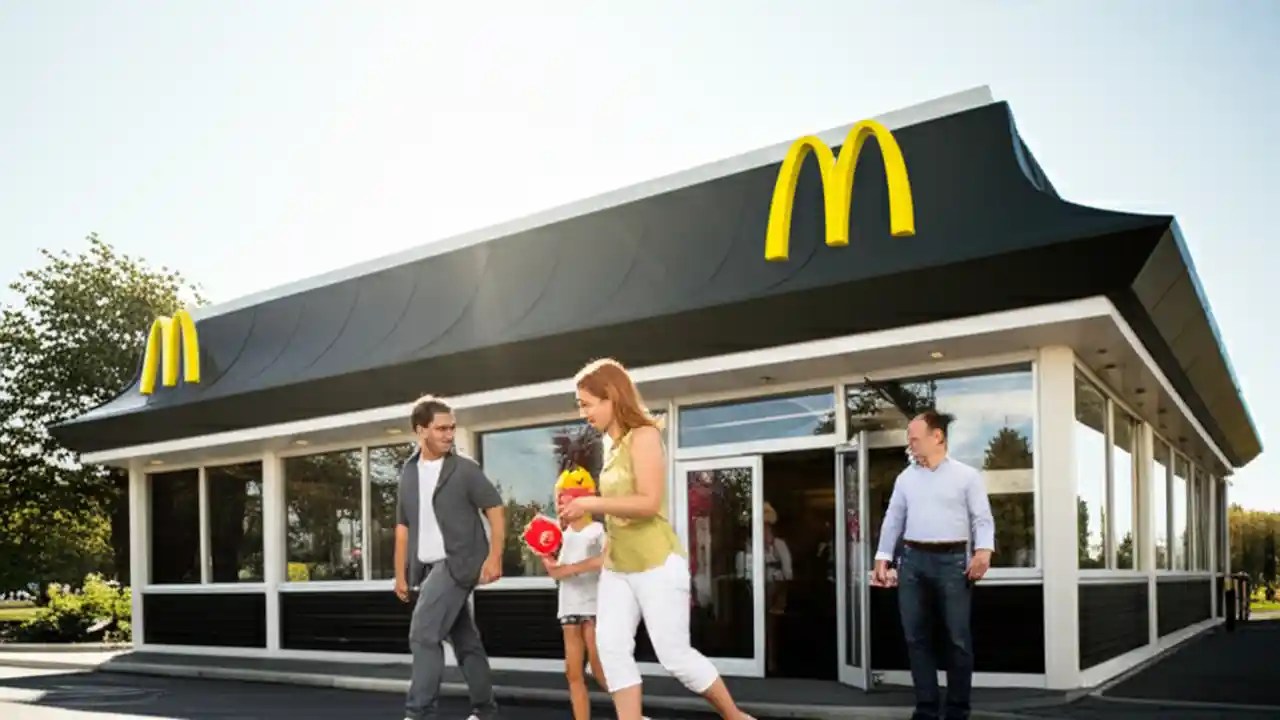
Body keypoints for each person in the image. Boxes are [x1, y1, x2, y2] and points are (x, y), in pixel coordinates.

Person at [559, 358, 755, 720]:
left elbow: (648, 503)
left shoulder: (645, 436)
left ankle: (735, 716)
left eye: (586, 403)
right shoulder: (609, 444)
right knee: (611, 648)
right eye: (579, 404)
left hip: (656, 562)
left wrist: (590, 502)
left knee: (674, 656)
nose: (582, 412)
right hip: (618, 565)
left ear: (611, 397)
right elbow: (618, 507)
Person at [873, 410, 995, 720]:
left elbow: (982, 518)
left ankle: (957, 710)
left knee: (957, 639)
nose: (910, 444)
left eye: (915, 438)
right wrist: (882, 557)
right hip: (912, 562)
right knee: (916, 637)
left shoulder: (966, 476)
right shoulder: (906, 479)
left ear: (937, 437)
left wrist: (983, 552)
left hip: (953, 562)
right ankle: (926, 709)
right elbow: (893, 520)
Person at [394, 395, 506, 720]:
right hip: (427, 568)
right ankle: (486, 711)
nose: (448, 434)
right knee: (465, 641)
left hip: (456, 563)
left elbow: (496, 509)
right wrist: (400, 573)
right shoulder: (410, 472)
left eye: (452, 428)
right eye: (441, 428)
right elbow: (403, 525)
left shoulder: (464, 469)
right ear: (421, 430)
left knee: (423, 634)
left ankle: (418, 713)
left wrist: (495, 556)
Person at [541, 469, 609, 720]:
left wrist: (567, 569)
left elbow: (607, 560)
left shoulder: (597, 531)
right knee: (573, 673)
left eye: (564, 497)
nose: (559, 503)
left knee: (601, 669)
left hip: (593, 606)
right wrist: (549, 562)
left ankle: (633, 713)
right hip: (568, 606)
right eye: (558, 498)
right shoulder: (562, 535)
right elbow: (558, 572)